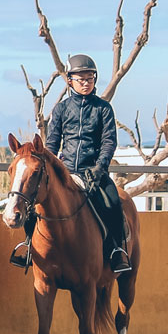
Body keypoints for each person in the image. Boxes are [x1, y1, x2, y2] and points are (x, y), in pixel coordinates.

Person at [42, 53, 132, 275]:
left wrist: (99, 168)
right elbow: (52, 143)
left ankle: (117, 250)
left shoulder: (103, 109)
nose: (86, 83)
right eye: (81, 79)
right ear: (70, 80)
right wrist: (50, 168)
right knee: (37, 203)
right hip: (66, 172)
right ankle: (27, 247)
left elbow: (109, 142)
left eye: (90, 79)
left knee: (113, 203)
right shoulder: (61, 109)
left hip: (94, 172)